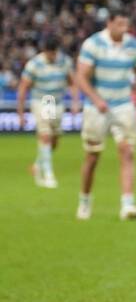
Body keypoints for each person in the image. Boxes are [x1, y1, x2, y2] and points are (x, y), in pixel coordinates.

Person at [75, 12, 136, 221]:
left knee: (127, 152)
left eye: (126, 24)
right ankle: (85, 201)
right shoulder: (93, 44)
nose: (124, 28)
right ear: (109, 24)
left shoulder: (134, 46)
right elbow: (81, 76)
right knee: (92, 156)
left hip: (124, 105)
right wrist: (96, 99)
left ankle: (127, 205)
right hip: (97, 108)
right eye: (119, 24)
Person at [16, 36, 77, 189]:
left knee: (54, 141)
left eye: (53, 53)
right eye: (49, 53)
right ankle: (48, 175)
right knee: (45, 136)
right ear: (44, 51)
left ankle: (37, 165)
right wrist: (21, 113)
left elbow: (72, 82)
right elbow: (23, 88)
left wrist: (75, 101)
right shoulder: (34, 64)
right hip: (43, 101)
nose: (52, 56)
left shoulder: (64, 61)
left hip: (58, 102)